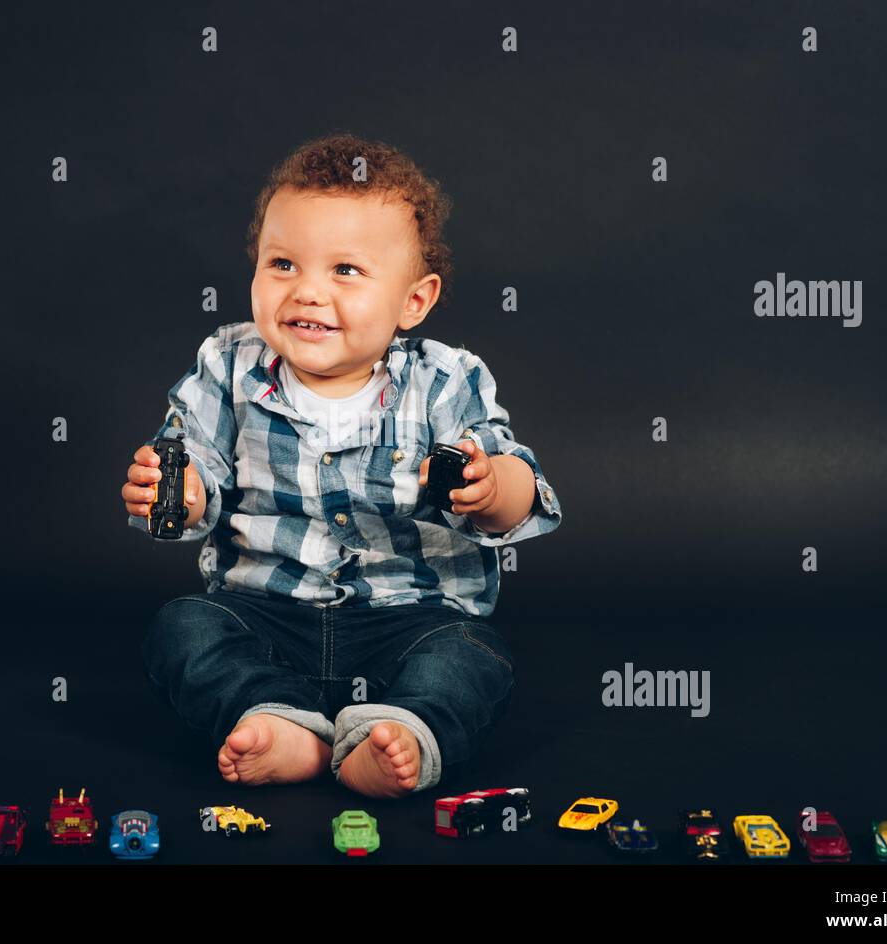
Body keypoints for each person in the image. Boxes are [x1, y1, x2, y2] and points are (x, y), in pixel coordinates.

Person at [122, 133, 561, 796]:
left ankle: (404, 726)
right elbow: (198, 469)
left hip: (409, 618)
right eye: (283, 264)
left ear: (413, 300)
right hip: (266, 613)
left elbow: (523, 489)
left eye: (345, 271)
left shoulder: (446, 381)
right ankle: (274, 715)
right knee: (182, 626)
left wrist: (493, 485)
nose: (307, 292)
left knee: (473, 656)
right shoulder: (227, 364)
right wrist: (175, 493)